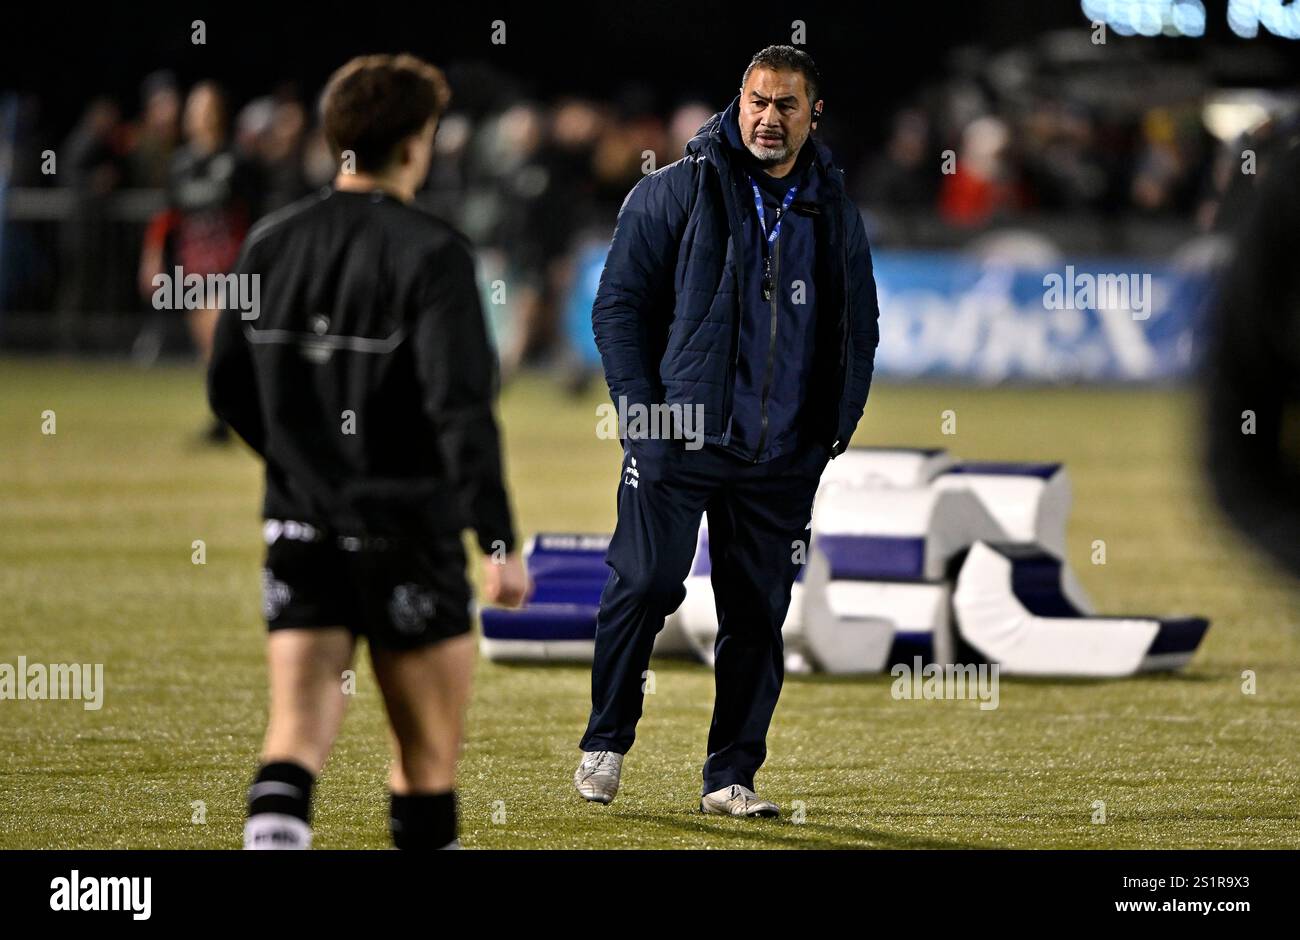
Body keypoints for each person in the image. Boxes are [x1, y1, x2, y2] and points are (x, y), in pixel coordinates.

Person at [207, 53, 529, 850]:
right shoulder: (435, 254)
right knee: (424, 768)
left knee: (294, 737)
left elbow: (227, 387)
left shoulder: (272, 244)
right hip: (407, 534)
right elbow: (461, 409)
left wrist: (303, 465)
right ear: (418, 143)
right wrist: (496, 538)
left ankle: (276, 831)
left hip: (302, 528)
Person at [575, 46, 880, 817]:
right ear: (736, 102)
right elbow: (617, 311)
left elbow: (859, 329)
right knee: (644, 584)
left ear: (814, 116)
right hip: (676, 438)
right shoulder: (671, 191)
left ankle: (730, 778)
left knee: (756, 620)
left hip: (780, 454)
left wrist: (830, 432)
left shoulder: (834, 213)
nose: (768, 118)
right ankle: (606, 741)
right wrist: (643, 418)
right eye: (756, 101)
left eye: (785, 106)